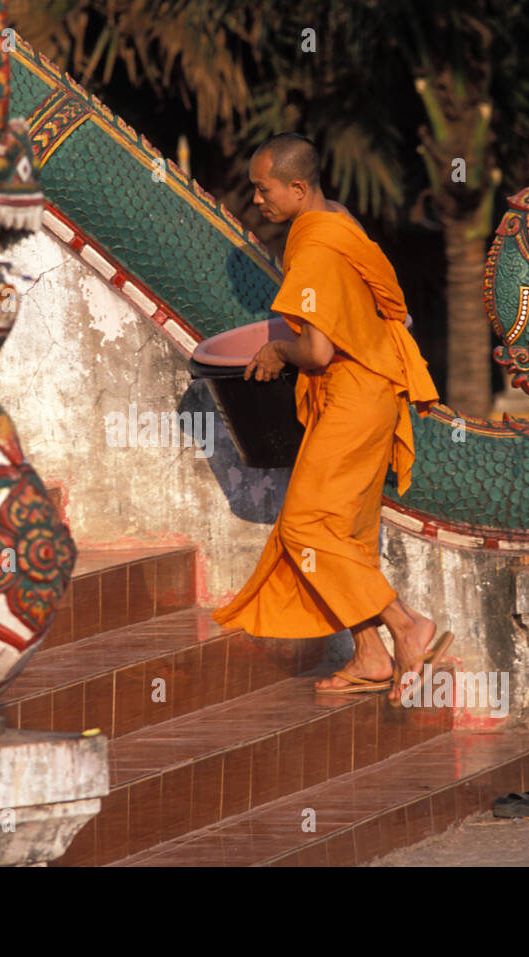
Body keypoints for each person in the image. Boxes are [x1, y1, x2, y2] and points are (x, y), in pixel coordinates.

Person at [210, 132, 452, 701]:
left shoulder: (314, 249)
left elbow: (316, 351)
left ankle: (405, 626)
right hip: (372, 392)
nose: (257, 200)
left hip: (352, 397)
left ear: (297, 187)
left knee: (305, 527)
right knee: (345, 534)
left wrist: (276, 351)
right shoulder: (335, 220)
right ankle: (369, 656)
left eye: (264, 189)